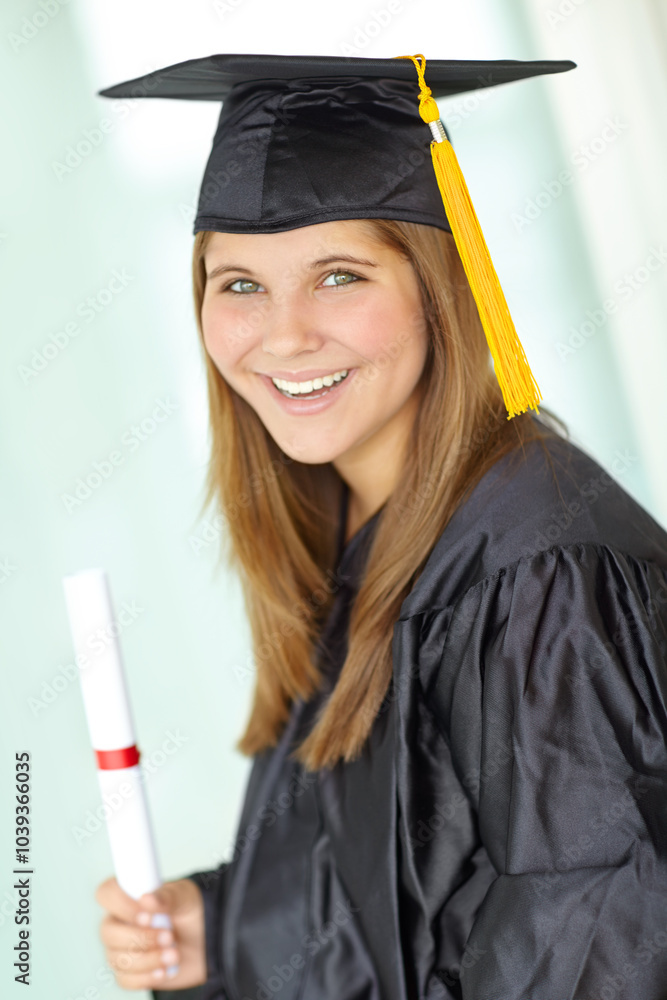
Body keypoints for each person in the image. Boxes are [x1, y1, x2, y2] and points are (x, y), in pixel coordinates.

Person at [93, 53, 667, 999]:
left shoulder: (538, 578)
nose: (283, 335)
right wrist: (228, 931)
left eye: (338, 275)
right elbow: (414, 888)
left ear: (438, 287)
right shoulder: (354, 521)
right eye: (239, 285)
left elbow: (591, 947)